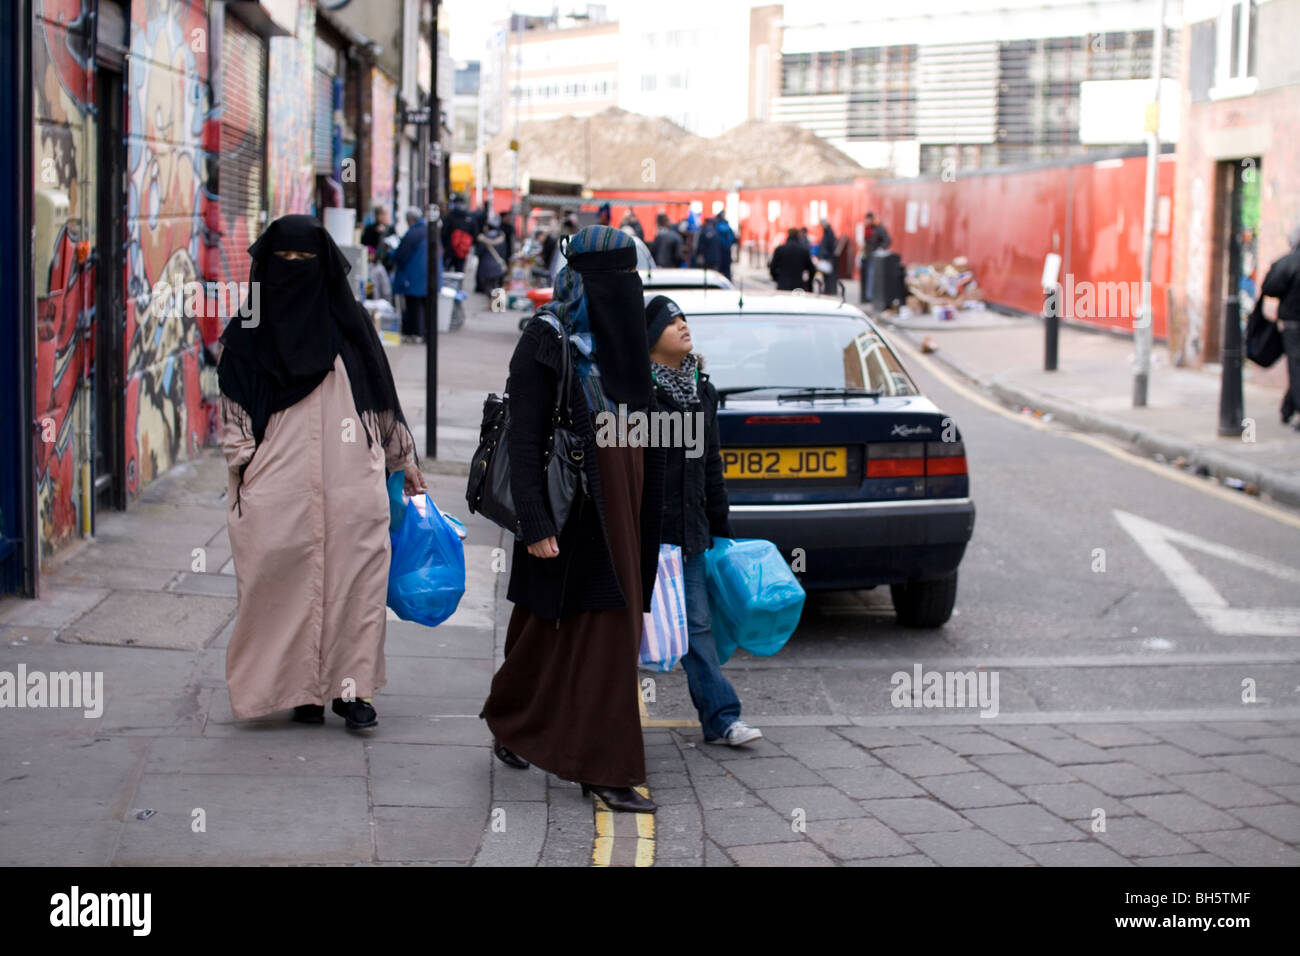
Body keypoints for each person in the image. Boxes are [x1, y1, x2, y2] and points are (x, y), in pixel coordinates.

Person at [481, 225, 665, 814]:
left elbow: (645, 427)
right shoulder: (546, 339)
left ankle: (513, 718)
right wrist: (533, 523)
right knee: (602, 635)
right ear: (585, 280)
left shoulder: (623, 337)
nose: (626, 292)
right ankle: (602, 768)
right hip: (576, 504)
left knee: (548, 630)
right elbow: (527, 434)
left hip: (625, 505)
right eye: (617, 280)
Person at [217, 215, 423, 731]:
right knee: (278, 584)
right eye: (282, 262)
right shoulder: (248, 331)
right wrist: (245, 467)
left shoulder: (349, 324)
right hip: (277, 481)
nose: (293, 272)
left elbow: (381, 399)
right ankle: (297, 689)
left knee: (357, 583)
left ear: (324, 266)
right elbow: (234, 411)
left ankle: (352, 691)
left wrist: (404, 462)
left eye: (303, 262)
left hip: (353, 480)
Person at [645, 295, 761, 747]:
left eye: (683, 318)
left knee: (696, 627)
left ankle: (721, 719)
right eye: (670, 321)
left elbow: (709, 462)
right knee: (621, 635)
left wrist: (720, 524)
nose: (682, 325)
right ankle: (603, 725)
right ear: (650, 339)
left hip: (688, 534)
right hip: (642, 535)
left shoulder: (701, 391)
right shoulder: (636, 393)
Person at [1262, 223, 1300, 427]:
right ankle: (1287, 409)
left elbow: (1269, 287)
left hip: (1293, 323)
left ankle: (1291, 410)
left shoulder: (1287, 262)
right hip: (1292, 322)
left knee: (1296, 367)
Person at [392, 207, 429, 342]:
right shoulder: (428, 230)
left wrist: (391, 254)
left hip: (414, 276)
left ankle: (416, 333)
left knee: (414, 305)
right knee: (424, 305)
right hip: (427, 276)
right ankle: (424, 333)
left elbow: (401, 255)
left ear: (410, 220)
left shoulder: (413, 233)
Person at [474, 213, 509, 299]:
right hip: (497, 265)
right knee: (496, 285)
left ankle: (491, 303)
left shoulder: (483, 238)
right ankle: (497, 305)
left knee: (488, 286)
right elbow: (504, 253)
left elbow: (479, 252)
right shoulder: (501, 238)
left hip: (486, 266)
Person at [859, 211, 891, 305]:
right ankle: (868, 296)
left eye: (868, 219)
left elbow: (887, 241)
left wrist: (879, 249)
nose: (866, 221)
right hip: (868, 255)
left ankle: (871, 296)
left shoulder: (879, 229)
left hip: (875, 256)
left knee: (872, 276)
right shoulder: (867, 229)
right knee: (869, 276)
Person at [441, 194, 476, 271]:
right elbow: (474, 234)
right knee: (459, 271)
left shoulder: (449, 217)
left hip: (450, 250)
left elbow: (443, 234)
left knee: (447, 272)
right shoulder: (469, 217)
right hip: (462, 251)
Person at [816, 219, 838, 294]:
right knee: (827, 275)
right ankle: (828, 290)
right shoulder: (828, 231)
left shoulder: (828, 232)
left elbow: (829, 245)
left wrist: (825, 255)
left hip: (827, 257)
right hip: (827, 256)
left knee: (828, 276)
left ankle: (829, 290)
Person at [714, 212, 736, 280]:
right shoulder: (728, 227)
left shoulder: (717, 226)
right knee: (727, 270)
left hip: (719, 251)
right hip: (727, 251)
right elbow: (733, 239)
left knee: (719, 271)